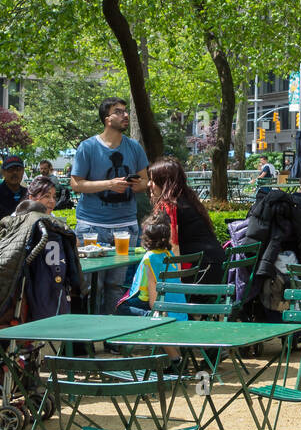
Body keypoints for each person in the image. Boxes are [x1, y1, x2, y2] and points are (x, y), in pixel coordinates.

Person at [69, 97, 150, 313]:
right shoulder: (87, 147)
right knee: (92, 286)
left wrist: (136, 184)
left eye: (126, 111)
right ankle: (88, 339)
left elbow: (146, 182)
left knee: (115, 286)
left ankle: (110, 338)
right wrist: (109, 184)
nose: (125, 115)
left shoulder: (134, 147)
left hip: (125, 227)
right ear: (107, 119)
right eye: (119, 111)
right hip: (91, 227)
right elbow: (75, 184)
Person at [116, 216, 186, 363]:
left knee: (121, 308)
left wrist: (155, 315)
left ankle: (174, 358)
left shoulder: (149, 259)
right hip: (180, 307)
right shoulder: (169, 254)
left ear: (146, 238)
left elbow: (154, 302)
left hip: (163, 309)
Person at [148, 155, 226, 283]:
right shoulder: (189, 200)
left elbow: (174, 247)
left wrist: (176, 286)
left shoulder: (170, 206)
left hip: (200, 274)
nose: (148, 184)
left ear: (164, 182)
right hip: (216, 269)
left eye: (153, 180)